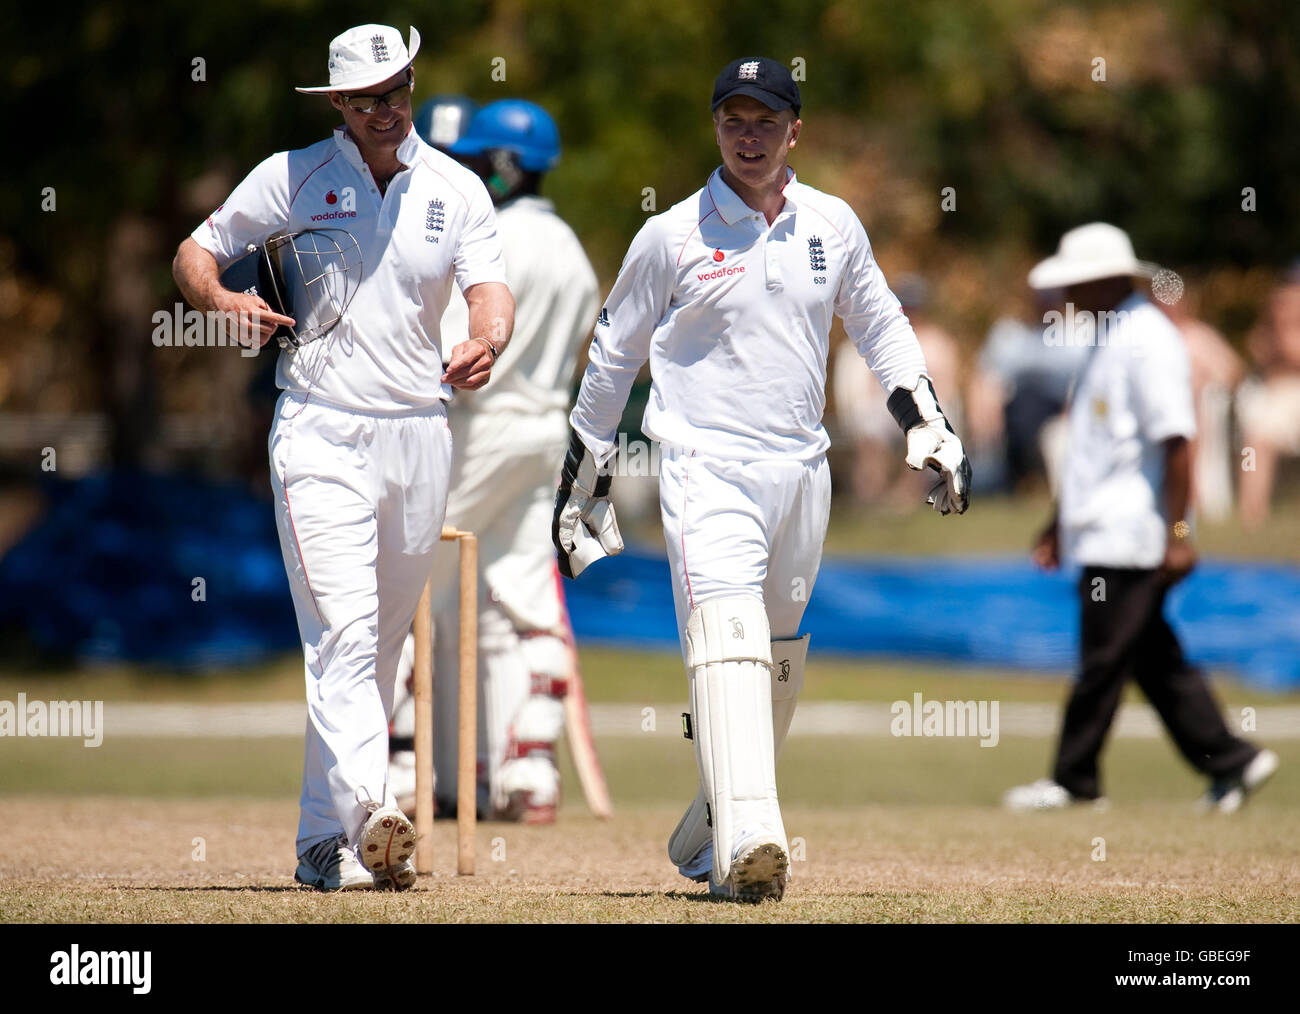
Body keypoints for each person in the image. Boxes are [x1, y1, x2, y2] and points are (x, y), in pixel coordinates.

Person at [553, 58, 970, 901]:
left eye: (765, 121)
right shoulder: (670, 235)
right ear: (715, 128)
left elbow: (881, 325)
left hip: (800, 472)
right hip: (705, 464)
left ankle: (708, 826)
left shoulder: (833, 224)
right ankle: (752, 839)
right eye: (733, 120)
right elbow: (613, 356)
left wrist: (925, 420)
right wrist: (586, 473)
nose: (749, 136)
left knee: (772, 659)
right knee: (730, 636)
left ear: (794, 131)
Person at [172, 24, 514, 890]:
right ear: (337, 105)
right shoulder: (293, 177)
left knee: (382, 645)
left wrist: (487, 339)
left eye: (397, 91)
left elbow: (490, 292)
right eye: (367, 99)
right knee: (346, 635)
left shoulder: (457, 187)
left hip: (420, 431)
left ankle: (324, 847)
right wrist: (221, 299)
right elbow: (194, 254)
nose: (387, 110)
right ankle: (373, 811)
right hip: (320, 428)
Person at [1004, 223, 1277, 814]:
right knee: (1154, 660)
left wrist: (1179, 534)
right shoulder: (1112, 334)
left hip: (1132, 536)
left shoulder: (1147, 338)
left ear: (1104, 281)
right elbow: (1096, 449)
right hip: (1104, 529)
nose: (1063, 297)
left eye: (1073, 284)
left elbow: (1177, 440)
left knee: (1103, 661)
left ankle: (1075, 782)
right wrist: (1060, 523)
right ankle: (1233, 760)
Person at [388, 100, 600, 823]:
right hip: (546, 431)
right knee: (516, 591)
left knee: (407, 579)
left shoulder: (493, 241)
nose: (469, 170)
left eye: (479, 160)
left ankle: (399, 772)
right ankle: (525, 773)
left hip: (479, 429)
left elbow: (447, 352)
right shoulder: (572, 249)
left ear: (506, 167)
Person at [832, 274, 963, 508]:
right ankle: (870, 493)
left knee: (922, 429)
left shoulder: (937, 341)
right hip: (886, 406)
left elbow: (947, 387)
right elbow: (866, 386)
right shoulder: (883, 339)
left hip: (927, 406)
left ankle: (906, 496)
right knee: (871, 429)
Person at [1237, 262, 1300, 527]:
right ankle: (1252, 514)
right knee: (1255, 442)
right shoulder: (1276, 311)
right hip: (1277, 393)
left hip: (1292, 391)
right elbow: (1258, 349)